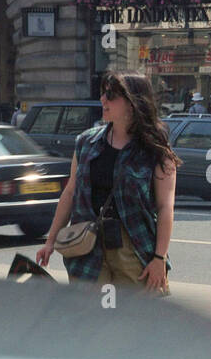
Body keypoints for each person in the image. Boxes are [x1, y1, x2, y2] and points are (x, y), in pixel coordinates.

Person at [37, 72, 179, 293]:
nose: (103, 100)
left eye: (111, 95)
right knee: (92, 320)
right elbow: (70, 193)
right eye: (103, 93)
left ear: (133, 103)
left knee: (132, 321)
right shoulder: (86, 142)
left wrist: (159, 258)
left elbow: (165, 208)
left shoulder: (156, 150)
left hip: (134, 248)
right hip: (87, 246)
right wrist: (50, 241)